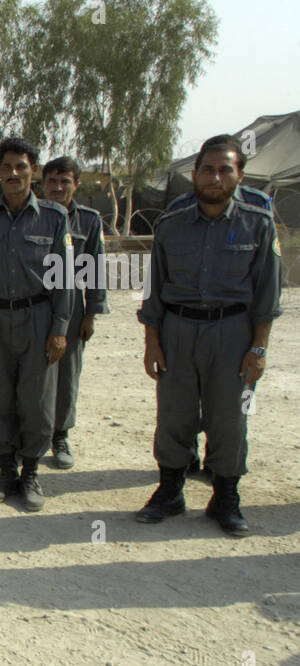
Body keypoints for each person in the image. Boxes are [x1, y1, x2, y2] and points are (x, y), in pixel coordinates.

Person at [136, 134, 281, 536]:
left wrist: (259, 346)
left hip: (233, 332)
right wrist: (152, 341)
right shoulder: (171, 225)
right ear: (195, 174)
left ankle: (226, 496)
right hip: (178, 329)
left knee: (229, 417)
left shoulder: (258, 223)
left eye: (224, 169)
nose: (214, 177)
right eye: (207, 169)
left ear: (239, 176)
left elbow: (267, 293)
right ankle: (170, 490)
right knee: (173, 415)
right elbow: (154, 287)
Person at [0, 137, 72, 512]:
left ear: (33, 171)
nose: (13, 174)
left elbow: (63, 279)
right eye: (6, 167)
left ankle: (30, 473)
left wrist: (59, 328)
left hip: (38, 318)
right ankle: (6, 470)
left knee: (37, 398)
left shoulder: (55, 219)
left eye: (20, 167)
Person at [41, 157, 109, 469]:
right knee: (31, 373)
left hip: (70, 307)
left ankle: (60, 435)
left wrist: (91, 314)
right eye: (52, 181)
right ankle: (29, 436)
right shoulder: (31, 217)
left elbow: (94, 270)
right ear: (42, 184)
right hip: (34, 304)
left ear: (76, 184)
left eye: (64, 181)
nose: (57, 188)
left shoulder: (89, 221)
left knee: (67, 373)